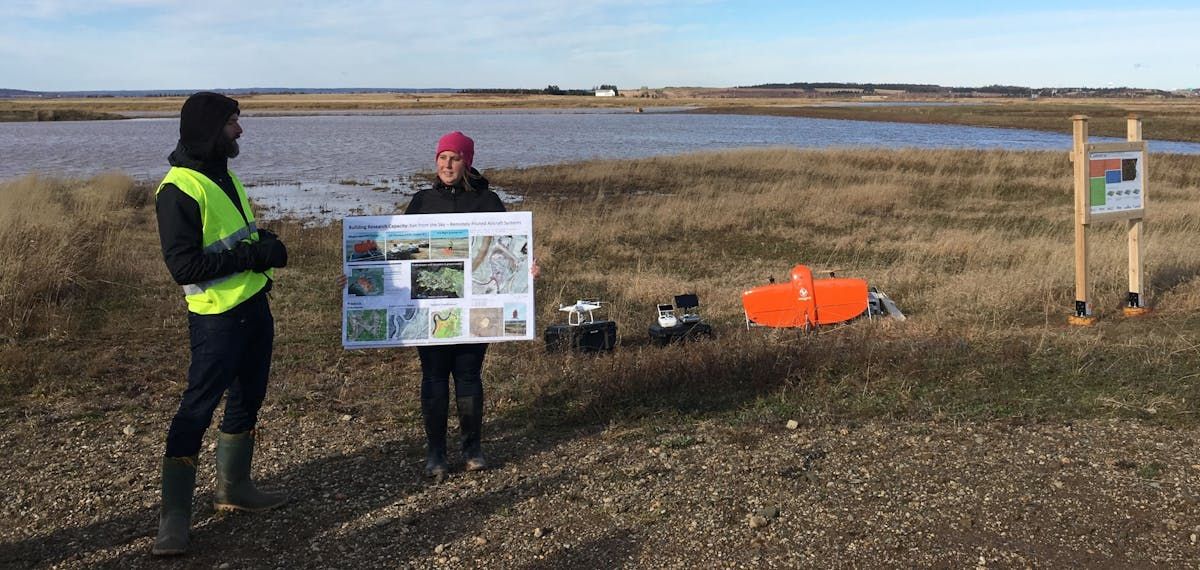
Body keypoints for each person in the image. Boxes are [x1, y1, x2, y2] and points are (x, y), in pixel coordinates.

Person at [152, 92, 289, 556]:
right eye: (234, 122)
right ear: (212, 128)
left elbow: (236, 235)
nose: (240, 130)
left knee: (248, 398)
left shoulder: (222, 174)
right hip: (216, 320)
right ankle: (174, 518)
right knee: (197, 408)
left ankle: (234, 487)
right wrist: (254, 254)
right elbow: (183, 267)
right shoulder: (177, 189)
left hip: (254, 307)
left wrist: (265, 242)